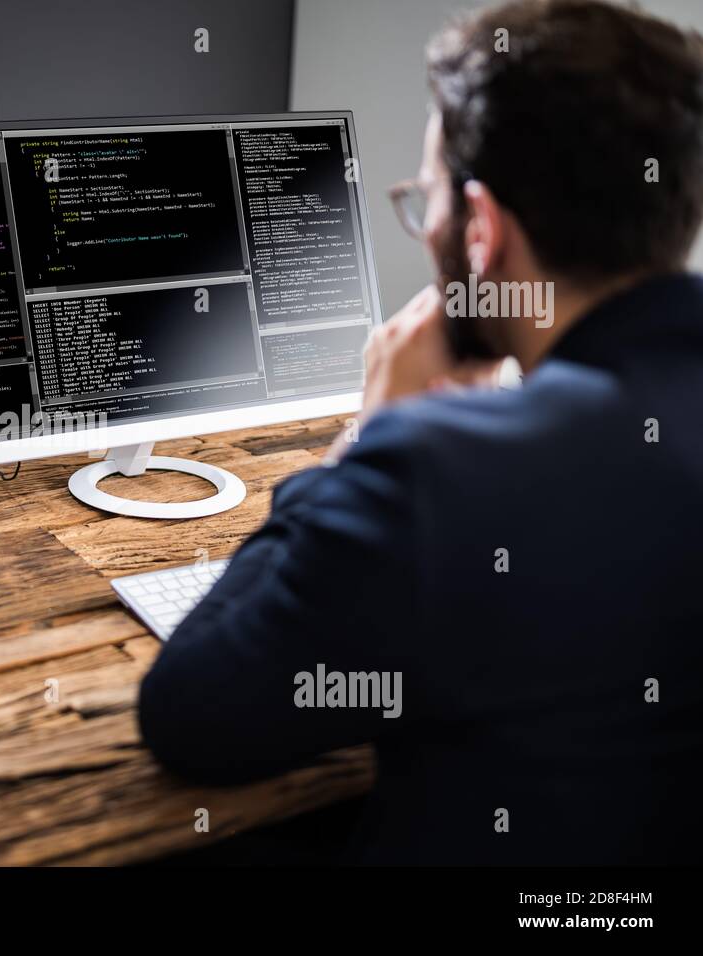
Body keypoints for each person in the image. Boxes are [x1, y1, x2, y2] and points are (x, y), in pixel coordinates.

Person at [139, 0, 703, 864]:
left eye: (426, 198)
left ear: (481, 230)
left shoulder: (443, 474)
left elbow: (192, 716)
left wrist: (370, 436)